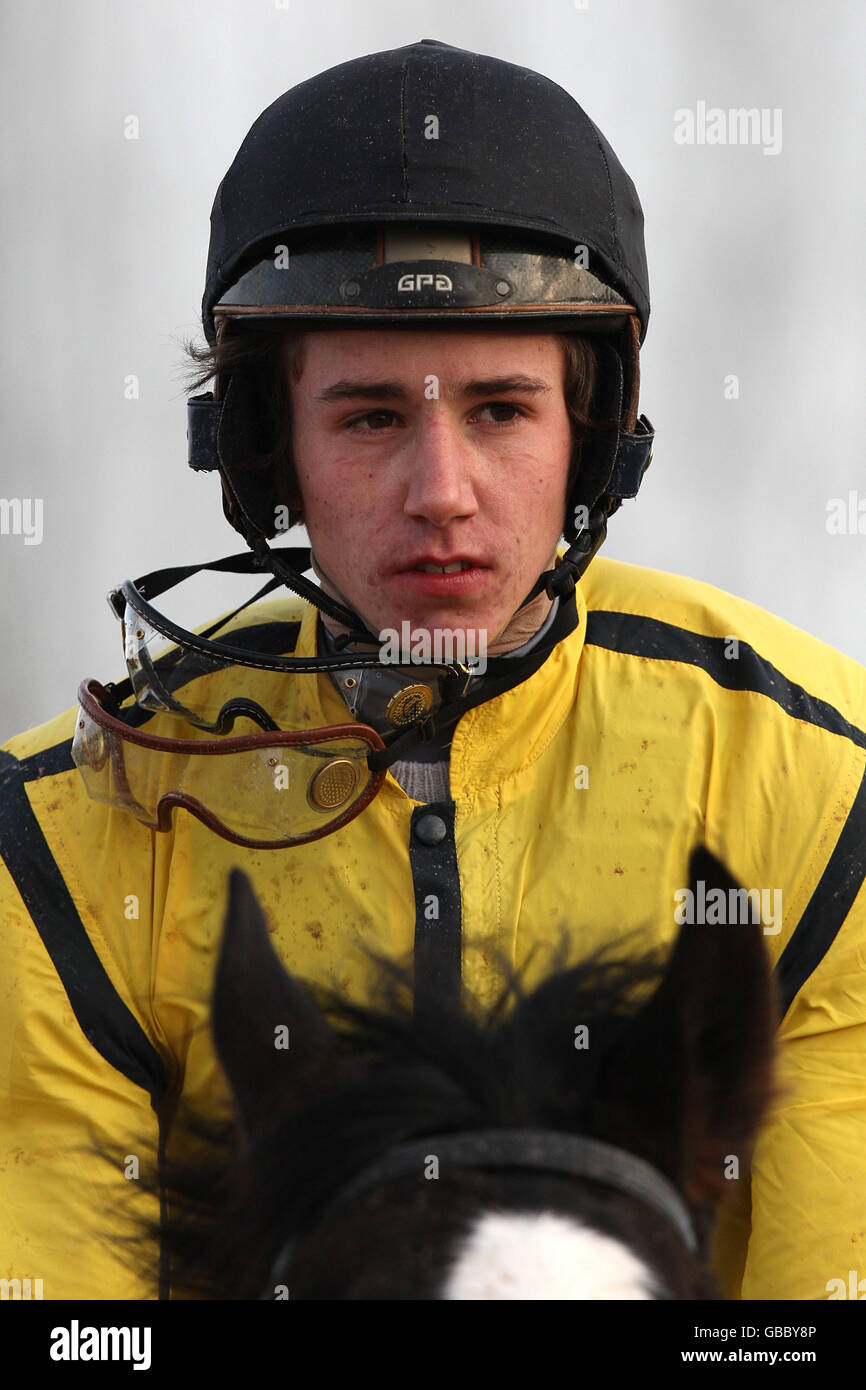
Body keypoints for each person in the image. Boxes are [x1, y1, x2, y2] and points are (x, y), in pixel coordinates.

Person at [1, 38, 864, 1302]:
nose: (440, 494)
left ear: (591, 434)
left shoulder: (815, 791)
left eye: (500, 409)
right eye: (369, 417)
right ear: (263, 446)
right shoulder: (67, 839)